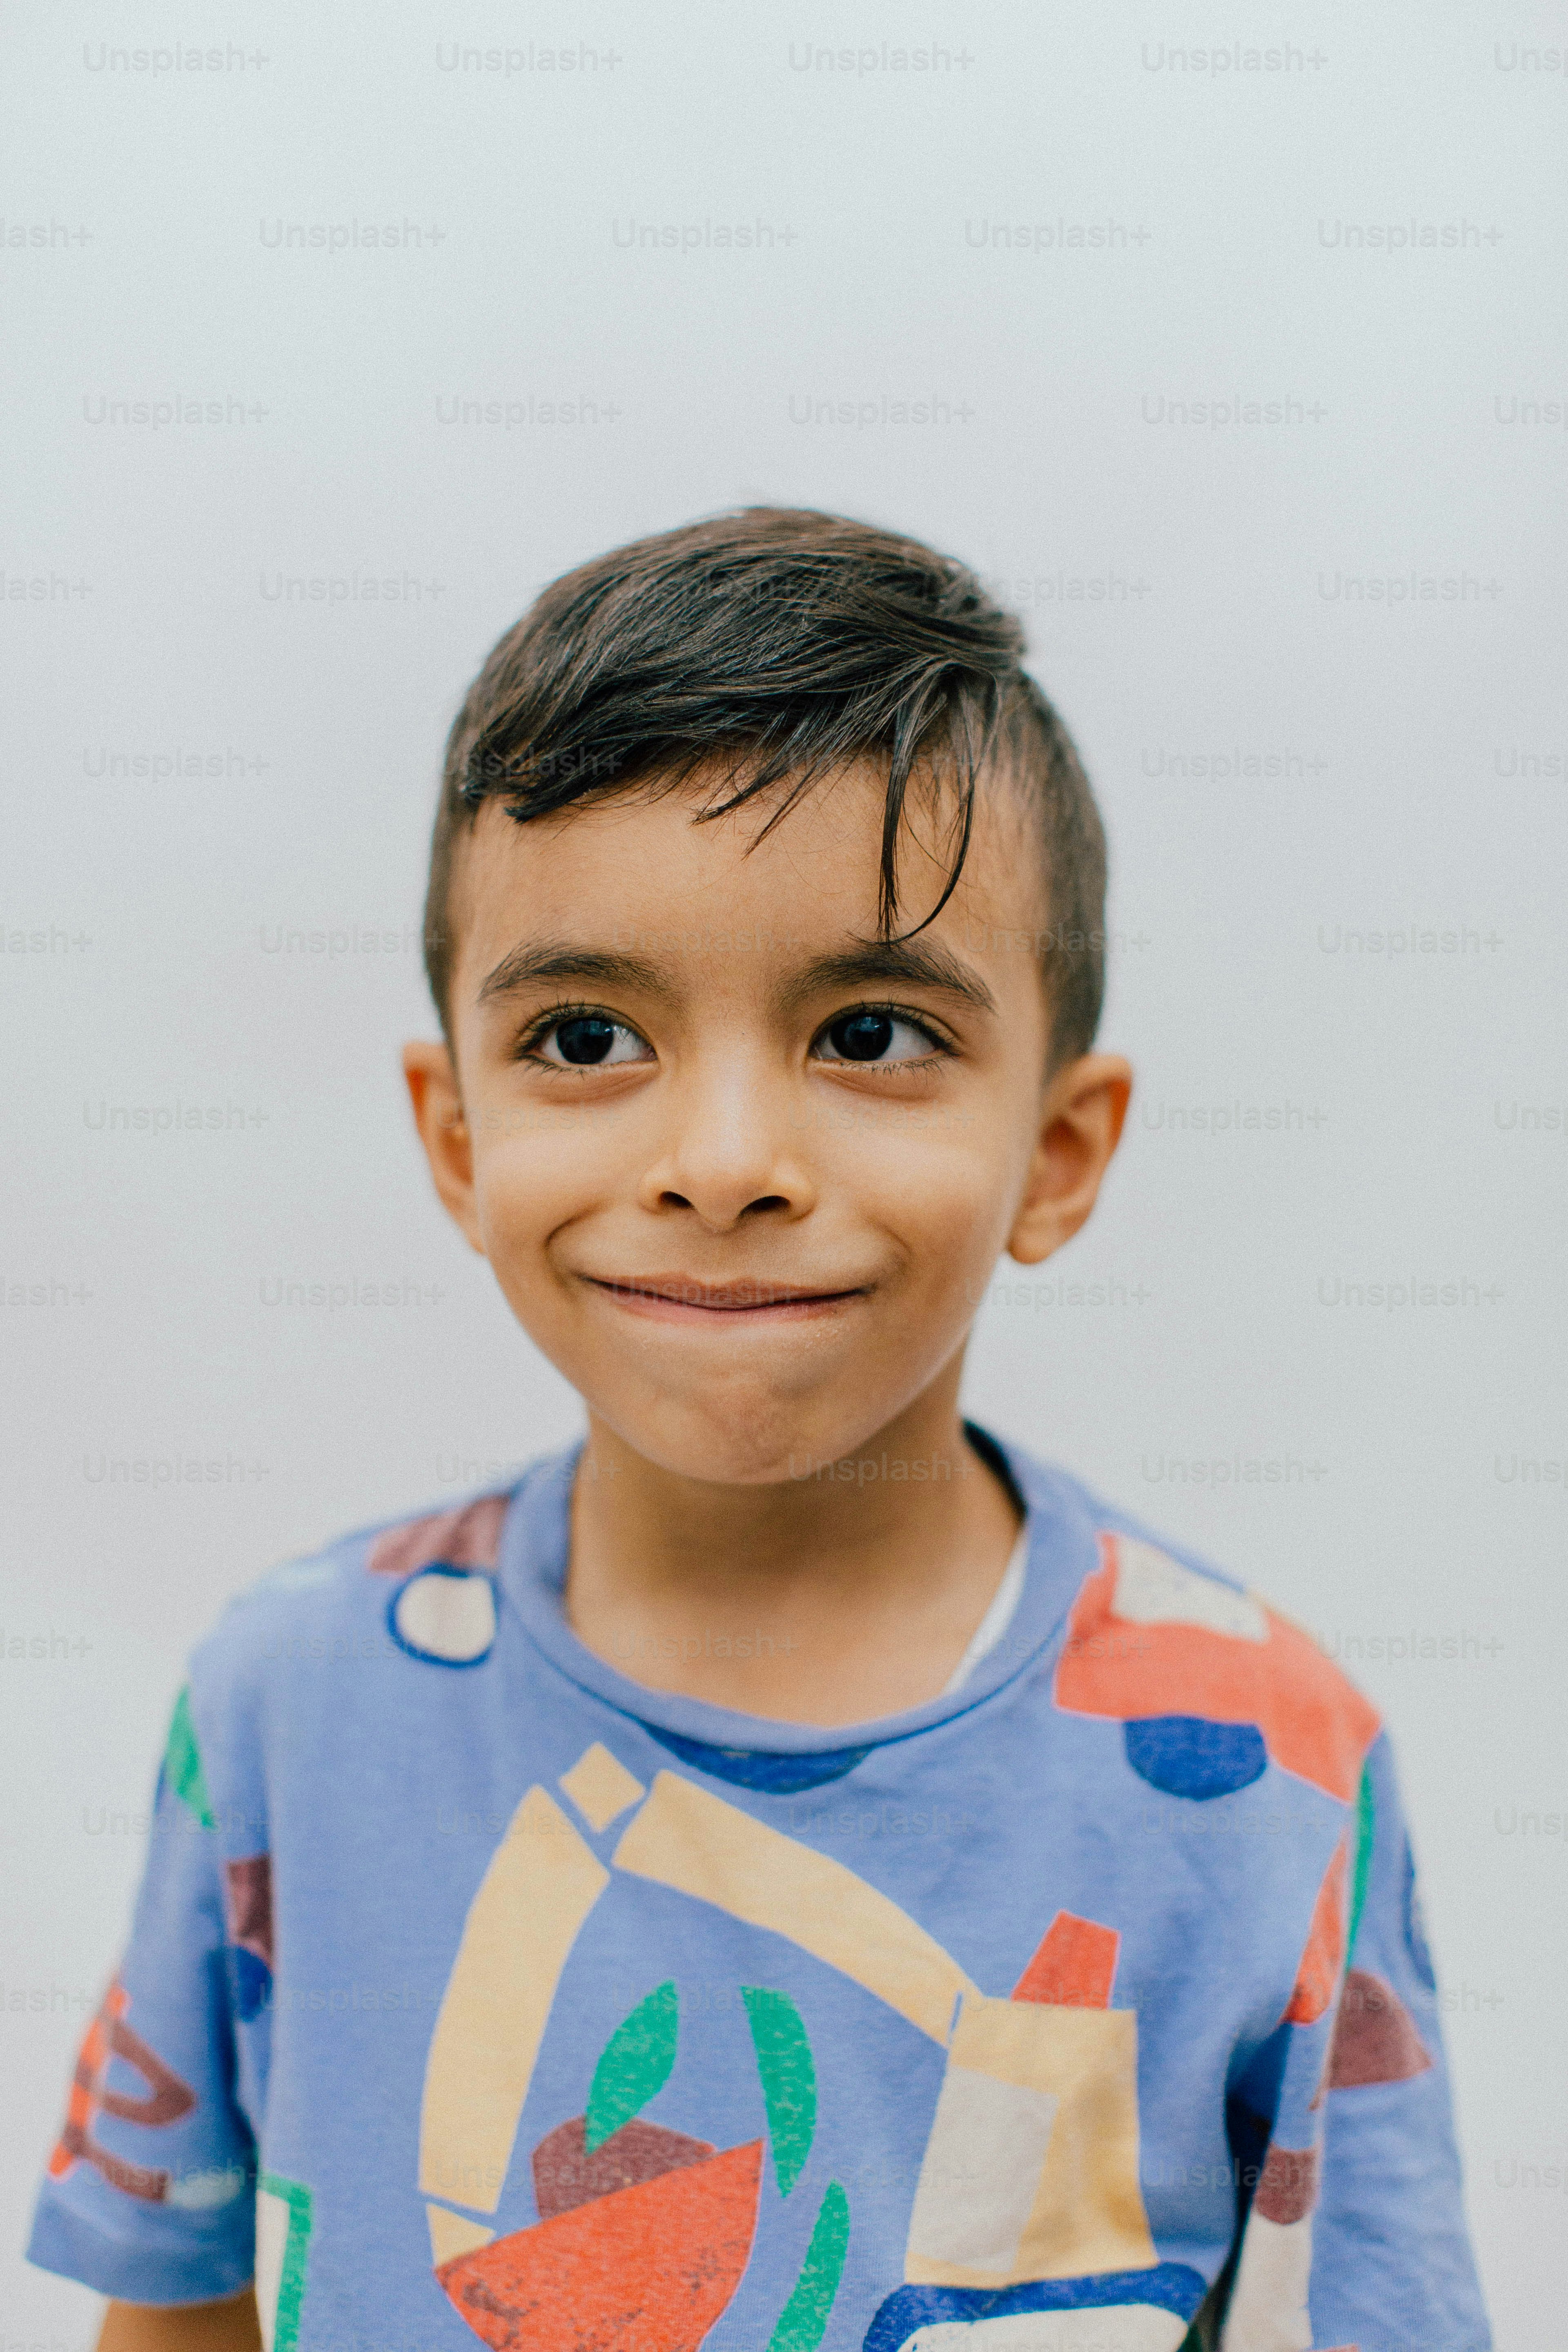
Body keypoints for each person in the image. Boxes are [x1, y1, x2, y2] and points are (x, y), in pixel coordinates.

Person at [30, 511, 1490, 2352]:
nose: (724, 1166)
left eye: (872, 1032)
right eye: (584, 1038)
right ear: (457, 1139)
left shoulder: (1269, 1768)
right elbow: (180, 2317)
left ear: (1059, 1151)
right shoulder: (286, 1708)